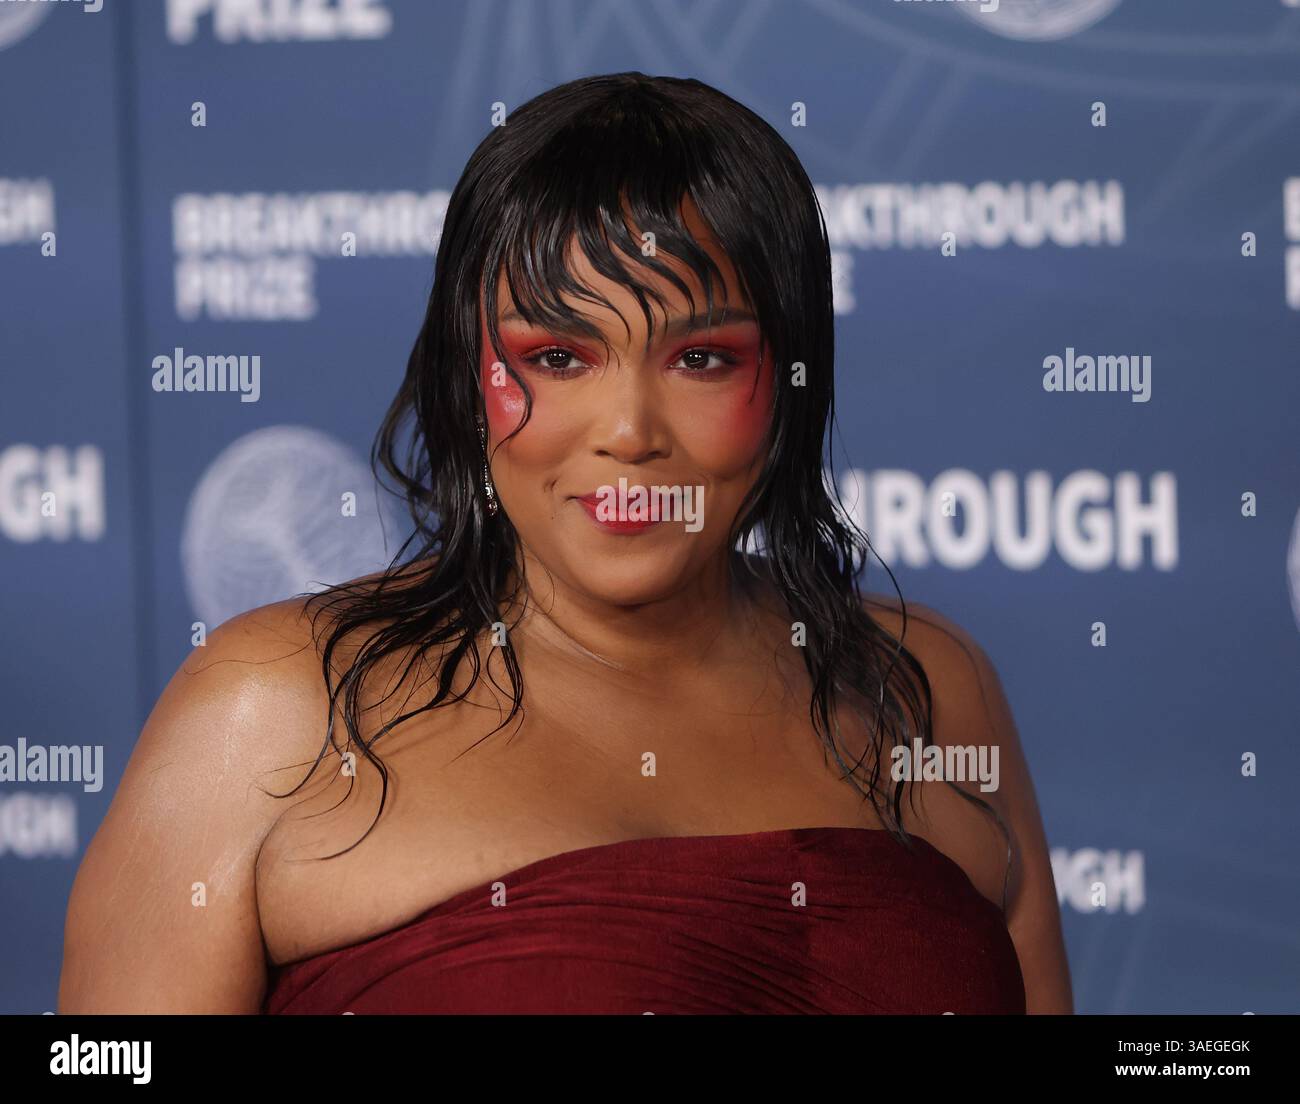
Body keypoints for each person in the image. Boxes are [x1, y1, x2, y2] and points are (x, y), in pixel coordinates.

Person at [59, 72, 1072, 1014]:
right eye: (556, 355)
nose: (629, 429)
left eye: (703, 357)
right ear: (466, 377)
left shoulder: (927, 683)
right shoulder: (272, 708)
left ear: (790, 382)